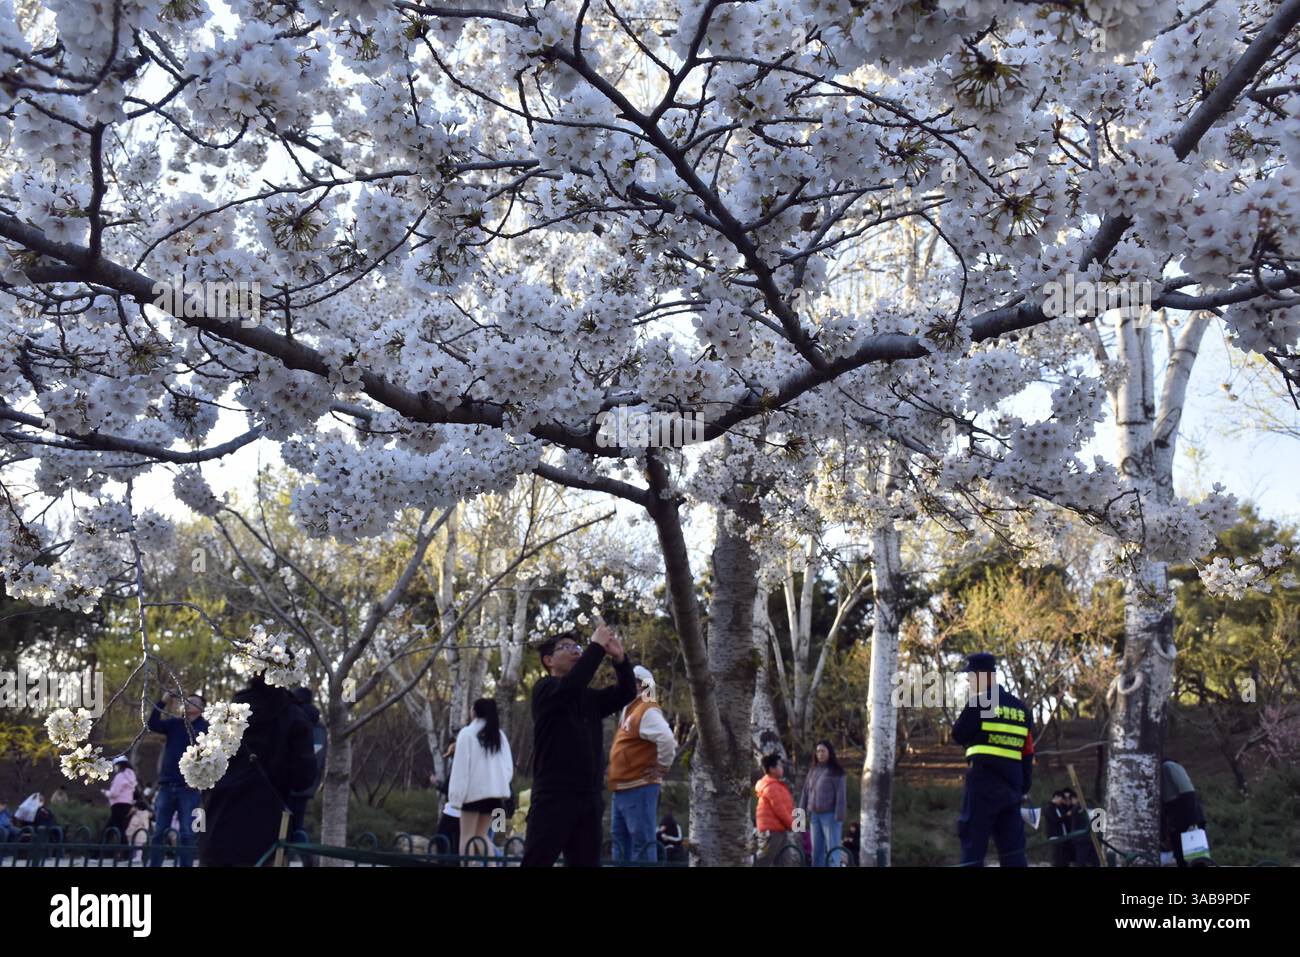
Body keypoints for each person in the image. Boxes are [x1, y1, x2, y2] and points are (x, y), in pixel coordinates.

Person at [521, 622, 637, 867]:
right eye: (565, 647)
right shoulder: (545, 690)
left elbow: (626, 693)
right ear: (548, 661)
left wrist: (619, 659)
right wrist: (596, 646)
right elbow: (572, 684)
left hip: (589, 798)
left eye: (577, 646)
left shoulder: (589, 699)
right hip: (554, 797)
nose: (575, 650)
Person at [199, 673, 317, 867]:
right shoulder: (293, 716)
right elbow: (303, 777)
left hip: (218, 818)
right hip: (266, 824)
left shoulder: (228, 713)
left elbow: (208, 765)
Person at [950, 652, 1035, 867]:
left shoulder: (980, 703)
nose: (969, 681)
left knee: (973, 847)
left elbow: (958, 734)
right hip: (1013, 786)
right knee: (1013, 852)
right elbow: (1028, 752)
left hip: (983, 783)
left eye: (970, 676)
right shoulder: (1020, 709)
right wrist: (1022, 787)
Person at [608, 664, 677, 863]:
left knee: (641, 844)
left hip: (638, 786)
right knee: (621, 844)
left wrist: (662, 767)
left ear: (639, 685)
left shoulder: (646, 709)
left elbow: (667, 739)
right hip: (623, 787)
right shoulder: (630, 709)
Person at [147, 691, 208, 867]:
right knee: (159, 832)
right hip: (166, 786)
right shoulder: (175, 724)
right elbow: (153, 724)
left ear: (201, 708)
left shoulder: (206, 728)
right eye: (187, 701)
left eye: (193, 701)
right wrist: (162, 700)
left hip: (189, 789)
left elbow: (211, 758)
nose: (188, 703)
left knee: (187, 834)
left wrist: (197, 781)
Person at [449, 698, 514, 863]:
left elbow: (461, 769)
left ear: (475, 712)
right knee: (482, 835)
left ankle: (468, 865)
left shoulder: (467, 734)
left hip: (473, 794)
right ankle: (492, 865)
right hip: (495, 795)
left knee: (467, 836)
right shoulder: (499, 735)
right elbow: (508, 768)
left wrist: (456, 797)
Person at [286, 686, 327, 845]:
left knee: (282, 826)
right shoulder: (321, 727)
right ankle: (302, 851)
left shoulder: (293, 720)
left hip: (286, 784)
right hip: (309, 783)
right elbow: (321, 757)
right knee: (297, 824)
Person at [800, 740, 847, 867]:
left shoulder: (836, 771)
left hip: (831, 816)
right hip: (814, 816)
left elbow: (841, 795)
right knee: (816, 851)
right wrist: (798, 819)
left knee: (833, 850)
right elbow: (804, 793)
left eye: (823, 751)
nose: (820, 754)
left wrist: (839, 817)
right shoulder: (812, 771)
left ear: (829, 753)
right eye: (818, 751)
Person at [1160, 759, 1208, 866]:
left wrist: (1192, 823)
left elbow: (1188, 793)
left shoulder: (1169, 767)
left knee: (1196, 860)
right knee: (1181, 860)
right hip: (1175, 822)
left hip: (1188, 819)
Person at [755, 753, 796, 866]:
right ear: (772, 769)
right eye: (780, 766)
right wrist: (792, 824)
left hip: (780, 829)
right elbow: (780, 809)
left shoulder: (777, 785)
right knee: (764, 860)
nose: (782, 768)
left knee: (785, 861)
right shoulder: (771, 787)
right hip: (771, 831)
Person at [102, 755, 137, 843]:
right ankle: (125, 852)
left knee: (110, 829)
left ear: (119, 766)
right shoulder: (131, 776)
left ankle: (97, 852)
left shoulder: (120, 776)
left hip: (118, 805)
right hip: (127, 805)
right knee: (121, 828)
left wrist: (106, 793)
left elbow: (114, 793)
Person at [1062, 789, 1099, 866]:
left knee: (1081, 861)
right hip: (1093, 837)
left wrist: (1073, 837)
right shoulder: (1092, 806)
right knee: (1094, 860)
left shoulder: (1077, 808)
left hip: (1081, 838)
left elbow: (1075, 824)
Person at [1044, 789, 1073, 867]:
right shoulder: (1049, 808)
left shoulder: (1060, 808)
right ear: (1056, 797)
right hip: (1055, 836)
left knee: (1064, 860)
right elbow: (1055, 820)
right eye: (1061, 799)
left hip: (1063, 836)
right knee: (1057, 859)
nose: (1061, 801)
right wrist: (1066, 815)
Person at [126, 799, 152, 865]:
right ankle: (138, 857)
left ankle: (136, 858)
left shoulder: (137, 815)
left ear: (137, 807)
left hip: (136, 833)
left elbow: (133, 824)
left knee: (134, 845)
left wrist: (128, 832)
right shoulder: (147, 814)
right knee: (139, 846)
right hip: (144, 832)